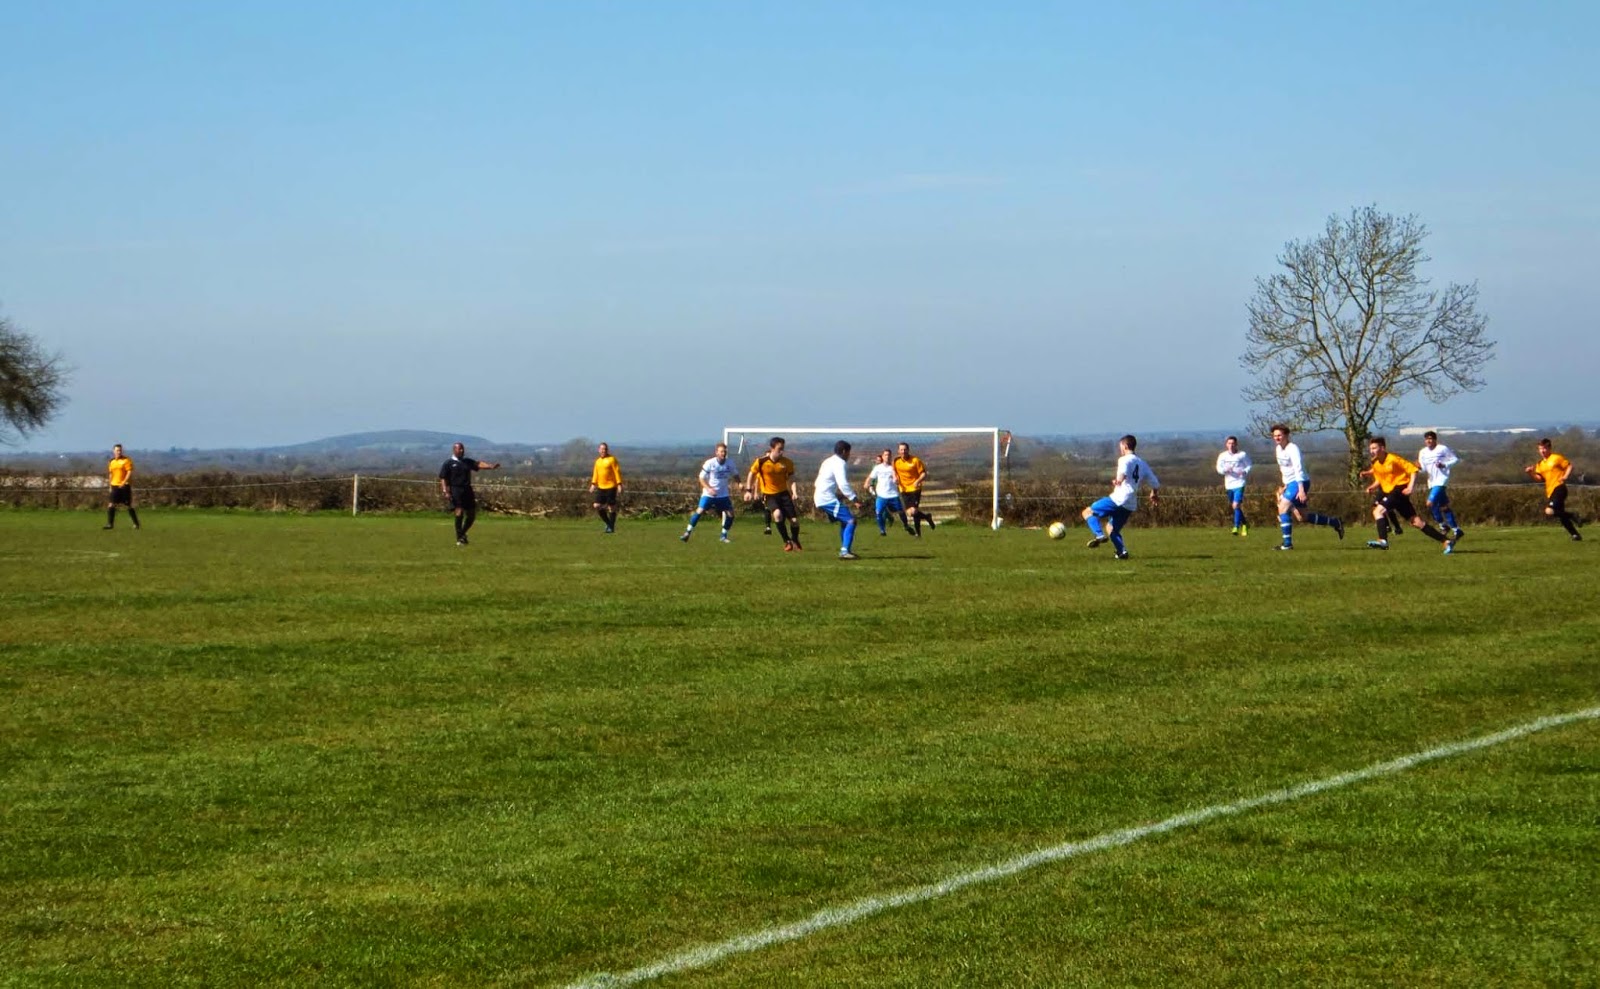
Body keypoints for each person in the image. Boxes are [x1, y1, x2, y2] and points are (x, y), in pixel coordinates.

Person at [1363, 437, 1456, 553]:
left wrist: (1410, 487)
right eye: (1370, 448)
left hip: (1399, 489)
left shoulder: (1393, 459)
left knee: (1378, 511)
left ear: (1382, 448)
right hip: (1393, 492)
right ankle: (1446, 541)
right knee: (1416, 522)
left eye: (1374, 448)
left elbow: (1413, 470)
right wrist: (1372, 486)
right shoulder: (1376, 464)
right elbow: (1380, 479)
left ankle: (1383, 540)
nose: (1372, 451)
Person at [1081, 435, 1160, 560]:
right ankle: (1122, 552)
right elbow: (1154, 481)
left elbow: (1122, 473)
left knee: (1087, 512)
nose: (1120, 450)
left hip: (1119, 498)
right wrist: (1154, 493)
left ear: (1125, 446)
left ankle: (1099, 535)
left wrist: (1118, 481)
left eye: (1121, 447)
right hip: (1130, 503)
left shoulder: (1124, 460)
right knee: (1112, 528)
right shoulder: (1142, 463)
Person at [1270, 424, 1344, 550]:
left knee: (1283, 507)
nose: (1277, 438)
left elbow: (1298, 469)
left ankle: (1287, 544)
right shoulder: (1278, 449)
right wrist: (1285, 485)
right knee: (1302, 517)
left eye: (1279, 435)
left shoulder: (1292, 449)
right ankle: (1335, 522)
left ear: (1286, 436)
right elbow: (1285, 470)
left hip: (1300, 482)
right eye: (1275, 436)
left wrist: (1301, 490)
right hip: (1291, 484)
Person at [744, 436, 803, 551]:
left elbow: (792, 478)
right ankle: (787, 541)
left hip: (784, 494)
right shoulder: (761, 462)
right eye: (779, 449)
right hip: (769, 495)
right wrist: (748, 491)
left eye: (783, 449)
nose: (781, 451)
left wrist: (794, 492)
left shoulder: (787, 463)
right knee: (777, 514)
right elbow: (751, 474)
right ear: (772, 448)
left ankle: (795, 539)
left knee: (794, 521)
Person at [438, 442, 501, 546]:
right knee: (459, 511)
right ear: (454, 450)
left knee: (471, 515)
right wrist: (445, 491)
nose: (462, 451)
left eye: (462, 449)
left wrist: (491, 466)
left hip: (467, 489)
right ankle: (459, 538)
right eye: (459, 449)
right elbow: (443, 478)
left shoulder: (466, 461)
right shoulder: (448, 463)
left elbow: (478, 464)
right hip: (455, 489)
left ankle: (462, 533)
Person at [1524, 437, 1583, 541]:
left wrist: (1565, 476)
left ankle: (1573, 515)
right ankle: (1575, 535)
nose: (1542, 451)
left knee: (1549, 511)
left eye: (1544, 448)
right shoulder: (1540, 464)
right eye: (1540, 449)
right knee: (1561, 515)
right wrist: (1531, 473)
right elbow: (1539, 479)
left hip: (1559, 488)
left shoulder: (1556, 458)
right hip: (1550, 491)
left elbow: (1569, 466)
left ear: (1549, 448)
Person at [682, 442, 739, 543]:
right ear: (716, 452)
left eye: (725, 451)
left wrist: (739, 484)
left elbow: (735, 475)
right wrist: (708, 489)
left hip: (723, 495)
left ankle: (723, 535)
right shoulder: (710, 463)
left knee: (731, 514)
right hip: (709, 494)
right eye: (721, 451)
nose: (723, 453)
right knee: (699, 511)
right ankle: (687, 532)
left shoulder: (730, 463)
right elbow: (701, 478)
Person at [814, 440, 862, 560]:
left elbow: (818, 481)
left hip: (821, 496)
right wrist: (855, 499)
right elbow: (843, 484)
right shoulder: (840, 463)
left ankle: (845, 549)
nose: (849, 456)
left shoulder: (828, 461)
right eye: (849, 453)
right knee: (851, 521)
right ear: (844, 451)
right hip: (826, 498)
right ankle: (844, 551)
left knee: (845, 521)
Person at [1416, 430, 1464, 540]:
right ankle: (1457, 530)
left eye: (1431, 438)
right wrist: (1418, 468)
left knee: (1430, 503)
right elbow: (1423, 469)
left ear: (1435, 440)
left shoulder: (1442, 448)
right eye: (1427, 439)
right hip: (1431, 482)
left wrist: (1444, 464)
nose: (1429, 440)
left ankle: (1443, 526)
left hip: (1441, 480)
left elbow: (1455, 460)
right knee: (1444, 507)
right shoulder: (1422, 452)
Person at [866, 449, 912, 536]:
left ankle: (906, 526)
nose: (887, 456)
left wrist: (897, 480)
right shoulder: (877, 468)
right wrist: (867, 483)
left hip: (893, 494)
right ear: (883, 457)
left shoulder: (894, 468)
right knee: (879, 512)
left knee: (901, 512)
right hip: (881, 495)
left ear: (891, 457)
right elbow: (871, 477)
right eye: (886, 455)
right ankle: (882, 531)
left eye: (889, 455)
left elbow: (898, 478)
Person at [893, 442, 935, 535]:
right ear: (898, 451)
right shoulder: (896, 461)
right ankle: (927, 518)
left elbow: (923, 473)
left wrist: (918, 481)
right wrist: (895, 477)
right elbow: (894, 471)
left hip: (915, 488)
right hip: (903, 489)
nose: (903, 451)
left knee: (913, 511)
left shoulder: (915, 460)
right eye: (901, 450)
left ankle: (918, 533)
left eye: (905, 449)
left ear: (908, 450)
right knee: (911, 513)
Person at [1215, 435, 1252, 535]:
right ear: (1226, 444)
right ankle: (1244, 524)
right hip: (1229, 484)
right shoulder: (1222, 456)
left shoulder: (1242, 455)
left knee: (1236, 505)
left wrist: (1244, 471)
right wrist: (1224, 470)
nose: (1231, 445)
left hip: (1239, 483)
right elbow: (1218, 468)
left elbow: (1249, 465)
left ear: (1236, 444)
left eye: (1233, 443)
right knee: (1235, 507)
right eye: (1229, 443)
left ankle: (1235, 527)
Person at [102, 443, 140, 530]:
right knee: (111, 504)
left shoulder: (126, 460)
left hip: (124, 486)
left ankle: (136, 523)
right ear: (113, 451)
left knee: (128, 505)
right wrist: (110, 485)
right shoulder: (112, 462)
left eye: (120, 450)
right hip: (114, 485)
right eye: (117, 450)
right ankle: (110, 524)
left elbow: (129, 472)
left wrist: (124, 482)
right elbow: (111, 474)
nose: (118, 452)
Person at [589, 442, 623, 534]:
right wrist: (593, 484)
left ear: (607, 450)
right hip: (601, 487)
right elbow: (595, 474)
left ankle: (610, 528)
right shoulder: (597, 461)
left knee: (611, 507)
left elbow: (617, 472)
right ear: (599, 450)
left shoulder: (612, 459)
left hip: (611, 486)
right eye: (602, 449)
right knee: (596, 505)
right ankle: (609, 524)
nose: (603, 450)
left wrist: (619, 484)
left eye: (605, 449)